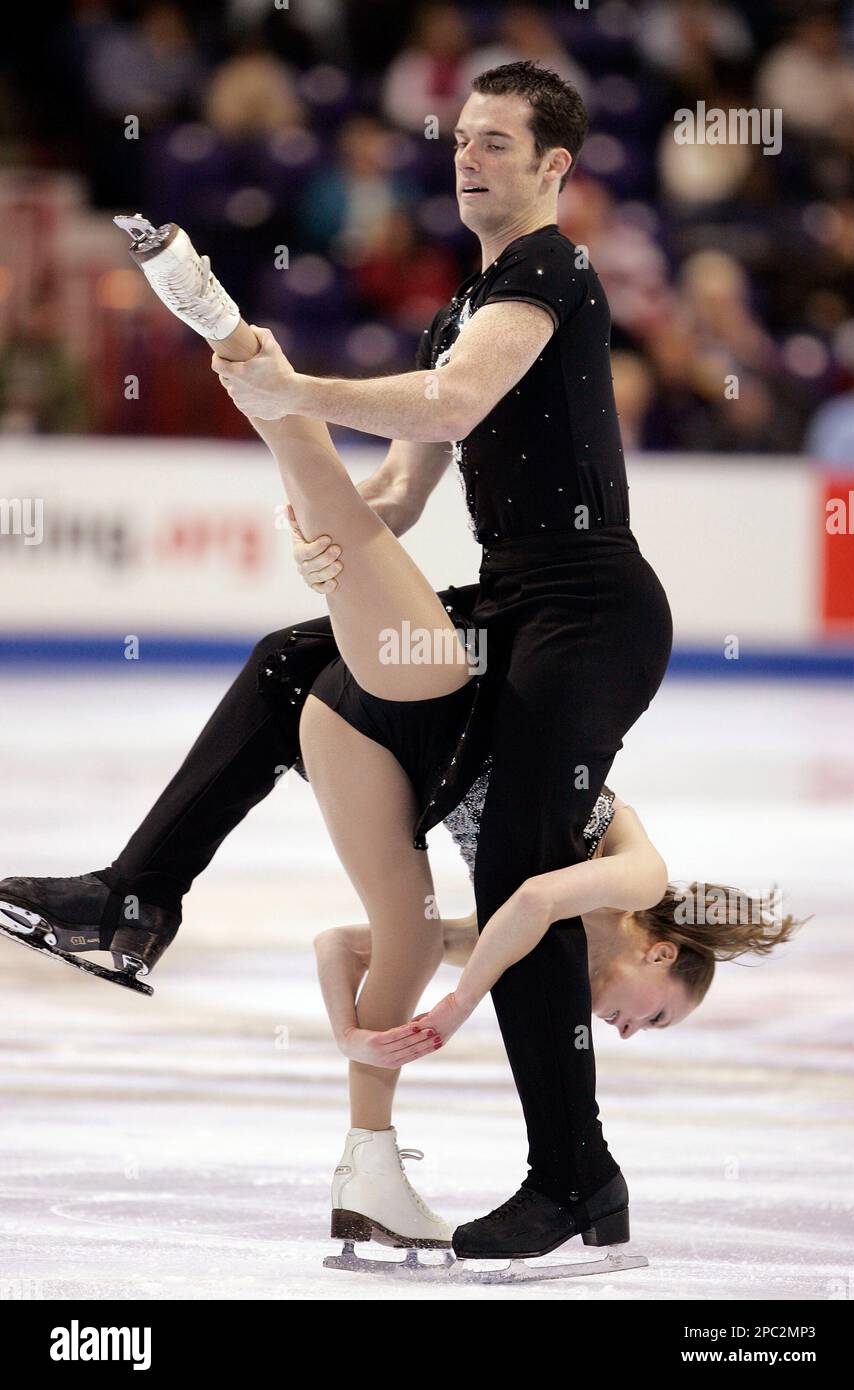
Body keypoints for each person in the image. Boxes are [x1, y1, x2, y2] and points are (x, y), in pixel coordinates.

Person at [2, 61, 673, 1264]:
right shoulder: (452, 305)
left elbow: (453, 407)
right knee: (282, 661)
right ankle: (136, 895)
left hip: (590, 612)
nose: (468, 158)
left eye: (498, 144)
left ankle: (575, 1180)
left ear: (554, 169)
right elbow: (405, 487)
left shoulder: (547, 271)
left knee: (519, 859)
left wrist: (295, 392)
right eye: (462, 139)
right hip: (513, 600)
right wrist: (334, 532)